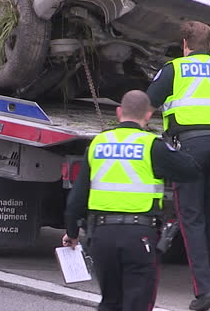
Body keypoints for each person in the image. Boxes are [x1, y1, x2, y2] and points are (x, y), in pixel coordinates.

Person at [63, 90, 201, 311]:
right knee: (137, 303)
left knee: (110, 302)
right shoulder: (152, 146)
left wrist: (71, 233)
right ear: (148, 115)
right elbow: (192, 171)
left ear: (119, 112)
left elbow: (76, 200)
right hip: (140, 237)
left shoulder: (97, 144)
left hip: (102, 236)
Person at [145, 21, 210, 311]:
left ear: (185, 44)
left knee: (192, 219)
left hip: (189, 148)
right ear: (209, 45)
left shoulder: (174, 69)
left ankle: (205, 292)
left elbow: (146, 107)